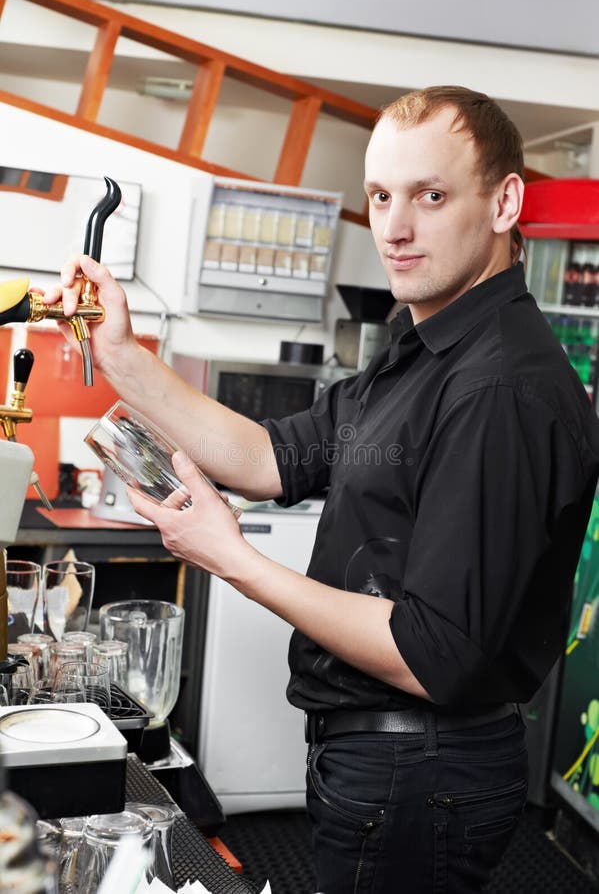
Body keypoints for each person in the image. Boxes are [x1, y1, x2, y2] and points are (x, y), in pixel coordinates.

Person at [48, 85, 599, 893]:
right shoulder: (423, 346)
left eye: (431, 196)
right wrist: (124, 355)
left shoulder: (498, 389)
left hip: (423, 770)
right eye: (379, 196)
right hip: (377, 763)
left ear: (504, 201)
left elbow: (430, 652)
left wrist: (232, 559)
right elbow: (270, 456)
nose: (394, 228)